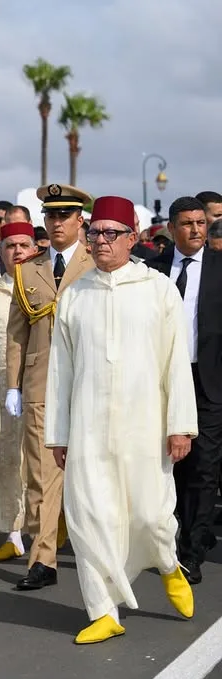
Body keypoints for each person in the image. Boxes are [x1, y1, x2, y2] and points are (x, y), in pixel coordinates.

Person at [46, 196, 196, 644]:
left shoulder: (158, 289)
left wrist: (179, 425)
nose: (102, 241)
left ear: (133, 238)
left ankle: (168, 564)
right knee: (90, 518)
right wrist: (58, 433)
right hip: (87, 428)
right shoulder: (74, 294)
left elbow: (175, 363)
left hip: (144, 425)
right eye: (95, 234)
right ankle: (103, 610)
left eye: (112, 234)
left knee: (150, 514)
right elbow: (61, 370)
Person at [5, 183, 94, 592]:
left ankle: (97, 551)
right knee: (41, 475)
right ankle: (43, 560)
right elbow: (16, 334)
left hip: (91, 382)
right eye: (50, 216)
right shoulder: (28, 269)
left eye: (65, 215)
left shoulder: (98, 264)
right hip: (42, 383)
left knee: (94, 473)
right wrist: (13, 385)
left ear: (81, 220)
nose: (56, 223)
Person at [146, 196, 222, 584]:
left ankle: (192, 552)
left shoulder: (220, 268)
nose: (196, 230)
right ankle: (164, 543)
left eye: (201, 223)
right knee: (164, 465)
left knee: (203, 469)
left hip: (208, 383)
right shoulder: (151, 270)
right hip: (159, 382)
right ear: (172, 228)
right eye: (188, 224)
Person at [0, 223, 35, 562]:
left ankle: (43, 528)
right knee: (5, 464)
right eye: (10, 245)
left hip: (40, 388)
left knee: (38, 463)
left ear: (34, 249)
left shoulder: (50, 290)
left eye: (23, 244)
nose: (16, 251)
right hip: (0, 390)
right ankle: (12, 532)